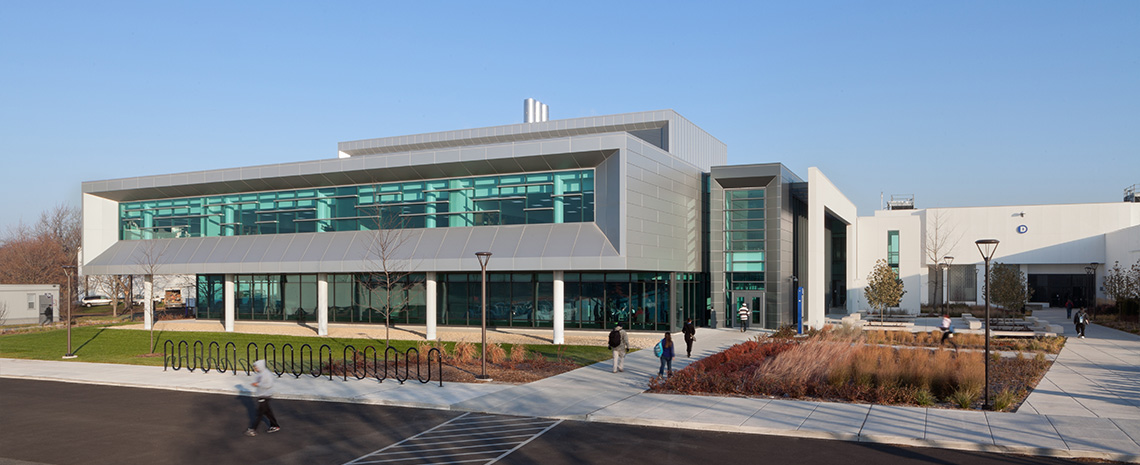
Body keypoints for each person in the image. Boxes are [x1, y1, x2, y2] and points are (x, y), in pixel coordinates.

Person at [246, 359, 281, 436]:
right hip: (262, 395)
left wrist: (258, 384)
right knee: (267, 412)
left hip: (265, 396)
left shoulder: (266, 374)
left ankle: (253, 429)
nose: (255, 369)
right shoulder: (261, 373)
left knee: (259, 413)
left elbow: (268, 385)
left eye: (256, 367)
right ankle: (275, 425)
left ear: (260, 366)